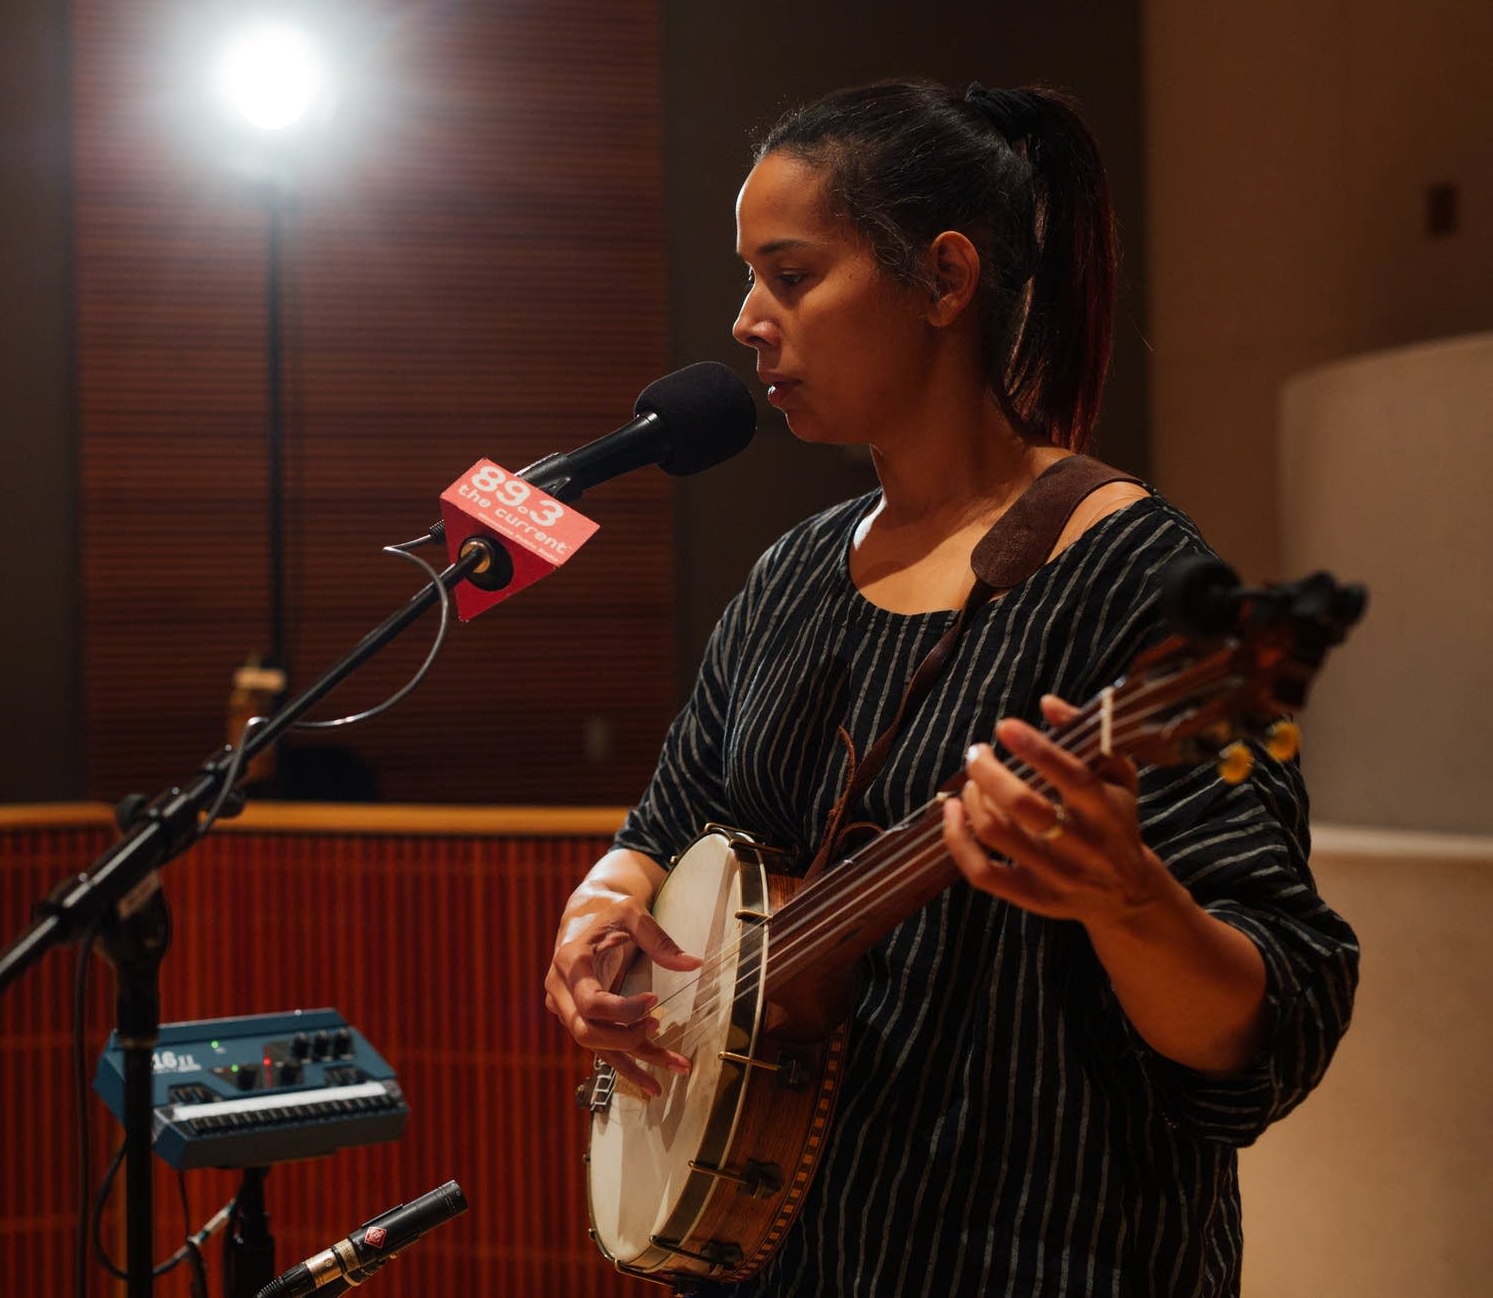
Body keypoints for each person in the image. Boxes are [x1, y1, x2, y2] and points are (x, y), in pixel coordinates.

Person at [543, 80, 1358, 1296]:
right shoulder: (792, 577)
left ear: (943, 277)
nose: (747, 320)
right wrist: (593, 920)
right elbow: (662, 828)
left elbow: (1270, 1024)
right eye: (747, 276)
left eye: (790, 273)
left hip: (1041, 1252)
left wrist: (1125, 897)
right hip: (786, 1258)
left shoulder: (1130, 572)